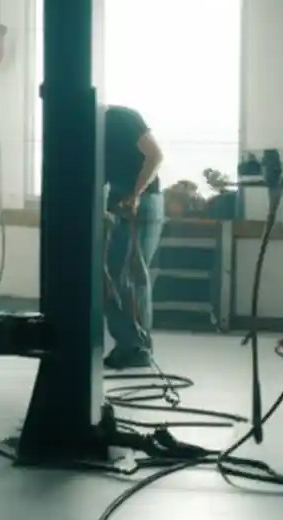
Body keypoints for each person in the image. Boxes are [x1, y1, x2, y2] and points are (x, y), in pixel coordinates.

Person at [102, 104, 166, 371]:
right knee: (113, 276)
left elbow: (155, 155)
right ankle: (130, 343)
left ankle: (136, 347)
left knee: (128, 276)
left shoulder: (120, 118)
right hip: (118, 200)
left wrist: (135, 194)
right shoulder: (87, 134)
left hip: (142, 201)